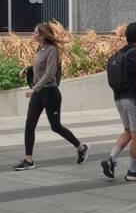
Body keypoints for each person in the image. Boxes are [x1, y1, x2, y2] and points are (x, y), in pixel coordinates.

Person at [13, 23, 88, 170]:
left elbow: (49, 73)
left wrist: (34, 89)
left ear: (42, 34)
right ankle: (28, 160)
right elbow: (39, 68)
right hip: (38, 93)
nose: (33, 34)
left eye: (35, 32)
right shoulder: (40, 49)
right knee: (29, 125)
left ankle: (81, 147)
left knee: (56, 126)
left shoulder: (52, 50)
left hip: (50, 93)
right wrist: (27, 70)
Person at [101, 21, 136, 181]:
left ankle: (110, 159)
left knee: (128, 131)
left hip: (119, 98)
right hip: (135, 100)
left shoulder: (119, 54)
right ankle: (133, 171)